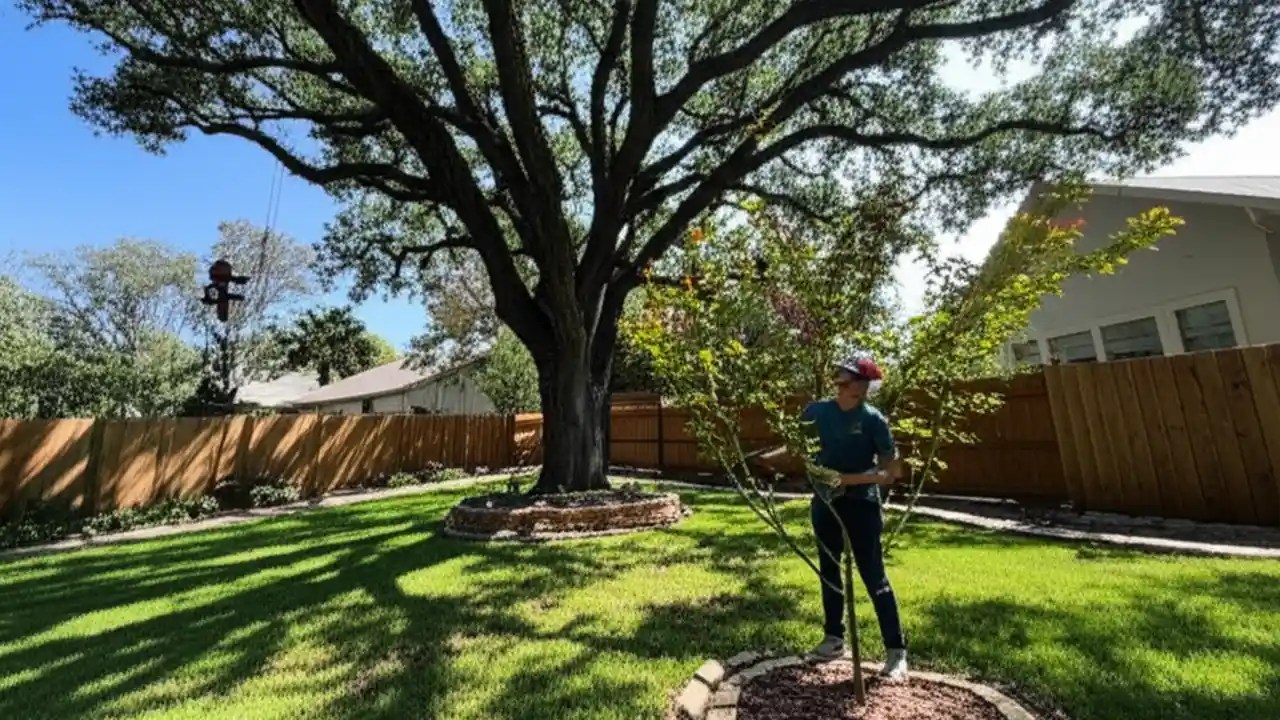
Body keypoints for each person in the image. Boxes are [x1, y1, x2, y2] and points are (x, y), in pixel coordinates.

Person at [802, 355, 908, 680]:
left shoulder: (874, 420)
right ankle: (833, 640)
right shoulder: (815, 412)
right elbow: (809, 462)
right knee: (829, 572)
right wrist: (850, 477)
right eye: (839, 377)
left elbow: (891, 470)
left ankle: (896, 653)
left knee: (874, 576)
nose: (841, 383)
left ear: (863, 386)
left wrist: (862, 480)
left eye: (848, 378)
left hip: (862, 507)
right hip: (826, 505)